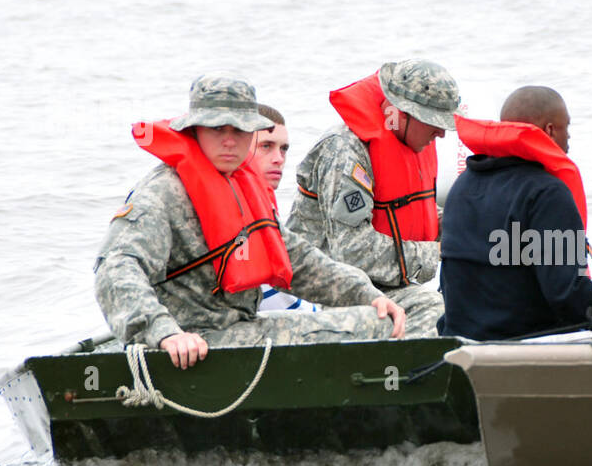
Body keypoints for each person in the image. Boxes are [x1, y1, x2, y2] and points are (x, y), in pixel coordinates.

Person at [94, 75, 405, 370]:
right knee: (366, 328)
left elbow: (300, 261)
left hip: (238, 328)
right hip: (192, 342)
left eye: (239, 130)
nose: (229, 141)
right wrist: (164, 332)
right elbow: (116, 267)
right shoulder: (162, 193)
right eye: (218, 129)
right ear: (195, 130)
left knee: (377, 317)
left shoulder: (241, 185)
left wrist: (367, 293)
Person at [439, 86, 592, 340]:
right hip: (522, 344)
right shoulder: (546, 194)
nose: (569, 137)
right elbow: (569, 296)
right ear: (549, 130)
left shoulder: (464, 185)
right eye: (567, 127)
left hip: (462, 339)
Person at [286, 60, 456, 338]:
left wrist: (466, 226)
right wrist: (437, 253)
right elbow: (353, 253)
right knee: (434, 312)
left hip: (386, 283)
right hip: (328, 289)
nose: (441, 133)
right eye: (434, 122)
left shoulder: (412, 142)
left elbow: (417, 212)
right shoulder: (345, 152)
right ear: (402, 114)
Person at [245, 103, 319, 313]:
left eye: (284, 149)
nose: (279, 159)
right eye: (266, 146)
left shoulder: (263, 208)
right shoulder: (235, 213)